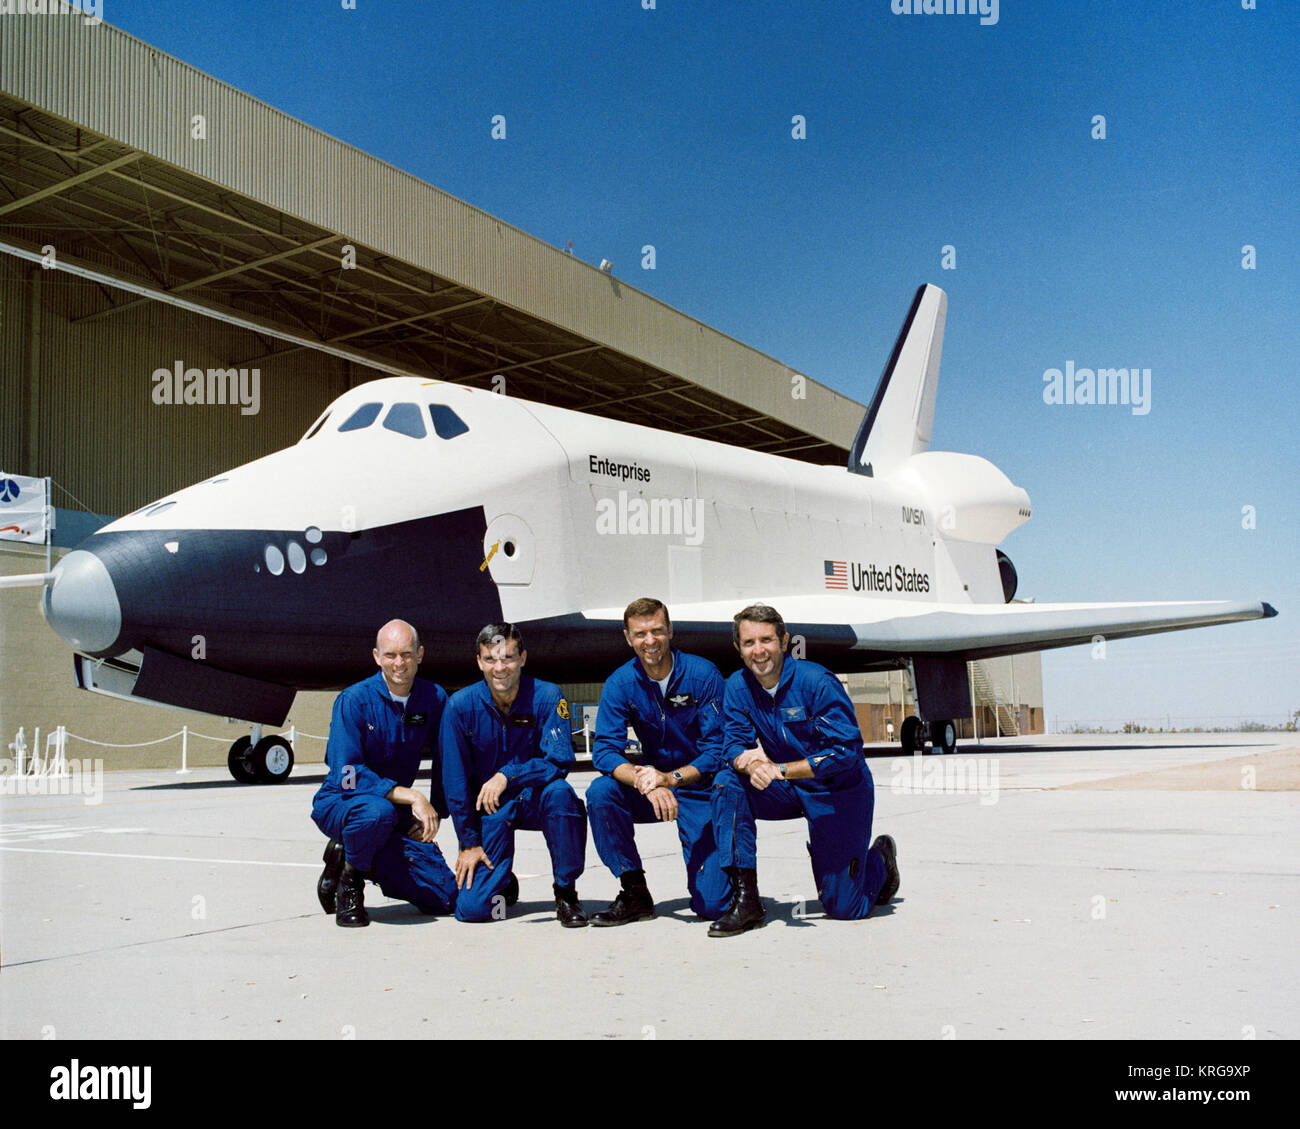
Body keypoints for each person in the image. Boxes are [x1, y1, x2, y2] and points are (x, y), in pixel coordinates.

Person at [708, 603, 899, 937]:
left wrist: (778, 769)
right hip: (790, 789)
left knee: (845, 908)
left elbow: (846, 751)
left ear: (784, 641)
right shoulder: (738, 687)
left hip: (838, 790)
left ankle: (880, 860)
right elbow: (732, 745)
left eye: (766, 640)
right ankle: (746, 899)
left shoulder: (816, 682)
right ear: (738, 648)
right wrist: (749, 762)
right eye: (749, 642)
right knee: (728, 782)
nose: (759, 651)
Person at [586, 597, 731, 925]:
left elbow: (717, 749)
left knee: (713, 906)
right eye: (640, 634)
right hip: (653, 786)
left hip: (700, 788)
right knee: (601, 792)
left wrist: (671, 778)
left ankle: (727, 876)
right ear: (627, 637)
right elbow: (606, 751)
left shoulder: (702, 675)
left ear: (670, 631)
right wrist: (645, 781)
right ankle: (634, 891)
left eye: (657, 631)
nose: (649, 641)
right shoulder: (621, 683)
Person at [311, 619, 458, 927]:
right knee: (375, 813)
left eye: (406, 654)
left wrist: (436, 814)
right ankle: (350, 883)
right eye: (390, 655)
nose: (399, 663)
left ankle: (351, 854)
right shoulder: (353, 700)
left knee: (445, 897)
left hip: (396, 812)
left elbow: (447, 762)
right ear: (377, 656)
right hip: (344, 802)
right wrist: (413, 796)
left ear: (420, 654)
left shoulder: (434, 699)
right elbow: (347, 774)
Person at [440, 624, 588, 926]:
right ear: (479, 662)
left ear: (522, 657)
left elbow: (559, 761)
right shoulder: (459, 706)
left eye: (507, 658)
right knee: (474, 911)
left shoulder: (548, 696)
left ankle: (565, 892)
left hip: (536, 799)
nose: (500, 668)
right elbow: (454, 782)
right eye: (491, 659)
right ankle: (503, 883)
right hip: (492, 812)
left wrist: (508, 774)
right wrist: (468, 843)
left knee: (561, 795)